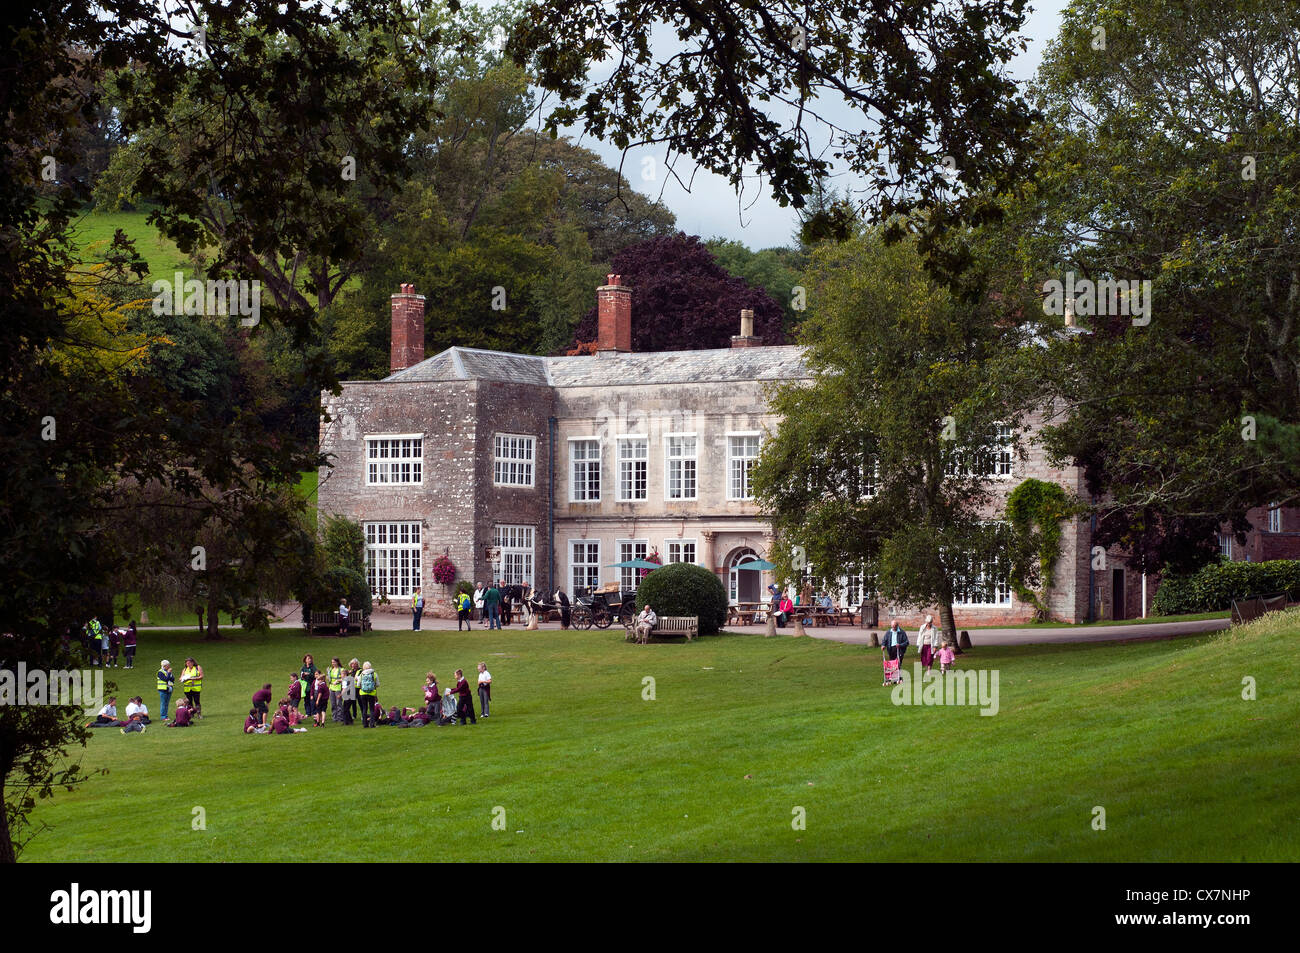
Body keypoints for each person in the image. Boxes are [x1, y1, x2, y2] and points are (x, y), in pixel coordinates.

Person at [358, 661, 379, 727]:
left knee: (364, 708)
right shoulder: (374, 674)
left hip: (363, 693)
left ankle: (365, 724)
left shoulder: (361, 674)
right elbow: (378, 684)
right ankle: (372, 724)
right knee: (371, 709)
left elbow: (358, 684)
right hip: (371, 693)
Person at [342, 659, 360, 725]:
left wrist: (340, 694)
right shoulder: (351, 673)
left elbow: (345, 688)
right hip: (351, 693)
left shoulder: (347, 679)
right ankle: (349, 721)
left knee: (345, 708)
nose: (353, 665)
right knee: (346, 708)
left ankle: (347, 721)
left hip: (351, 693)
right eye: (352, 664)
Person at [327, 658, 345, 723]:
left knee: (339, 703)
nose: (333, 664)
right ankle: (334, 717)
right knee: (333, 704)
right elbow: (330, 679)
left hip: (338, 688)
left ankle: (340, 717)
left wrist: (338, 680)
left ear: (337, 662)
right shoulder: (331, 670)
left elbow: (344, 678)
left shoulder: (341, 669)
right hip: (331, 688)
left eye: (334, 662)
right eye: (332, 662)